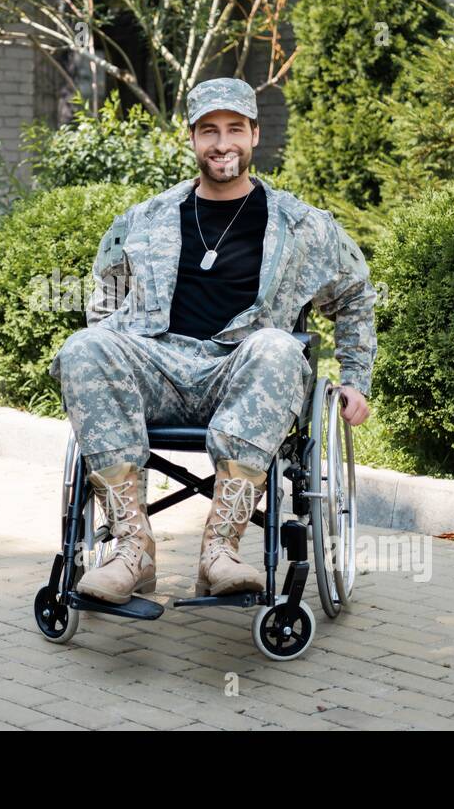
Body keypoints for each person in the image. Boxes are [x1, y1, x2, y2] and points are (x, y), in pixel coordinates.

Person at [48, 77, 377, 605]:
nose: (222, 143)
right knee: (85, 347)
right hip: (159, 367)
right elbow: (104, 304)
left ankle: (220, 550)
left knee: (277, 346)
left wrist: (356, 379)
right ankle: (132, 551)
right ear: (193, 139)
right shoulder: (146, 220)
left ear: (254, 136)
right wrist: (108, 349)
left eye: (234, 129)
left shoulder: (300, 225)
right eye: (209, 131)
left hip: (242, 375)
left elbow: (354, 294)